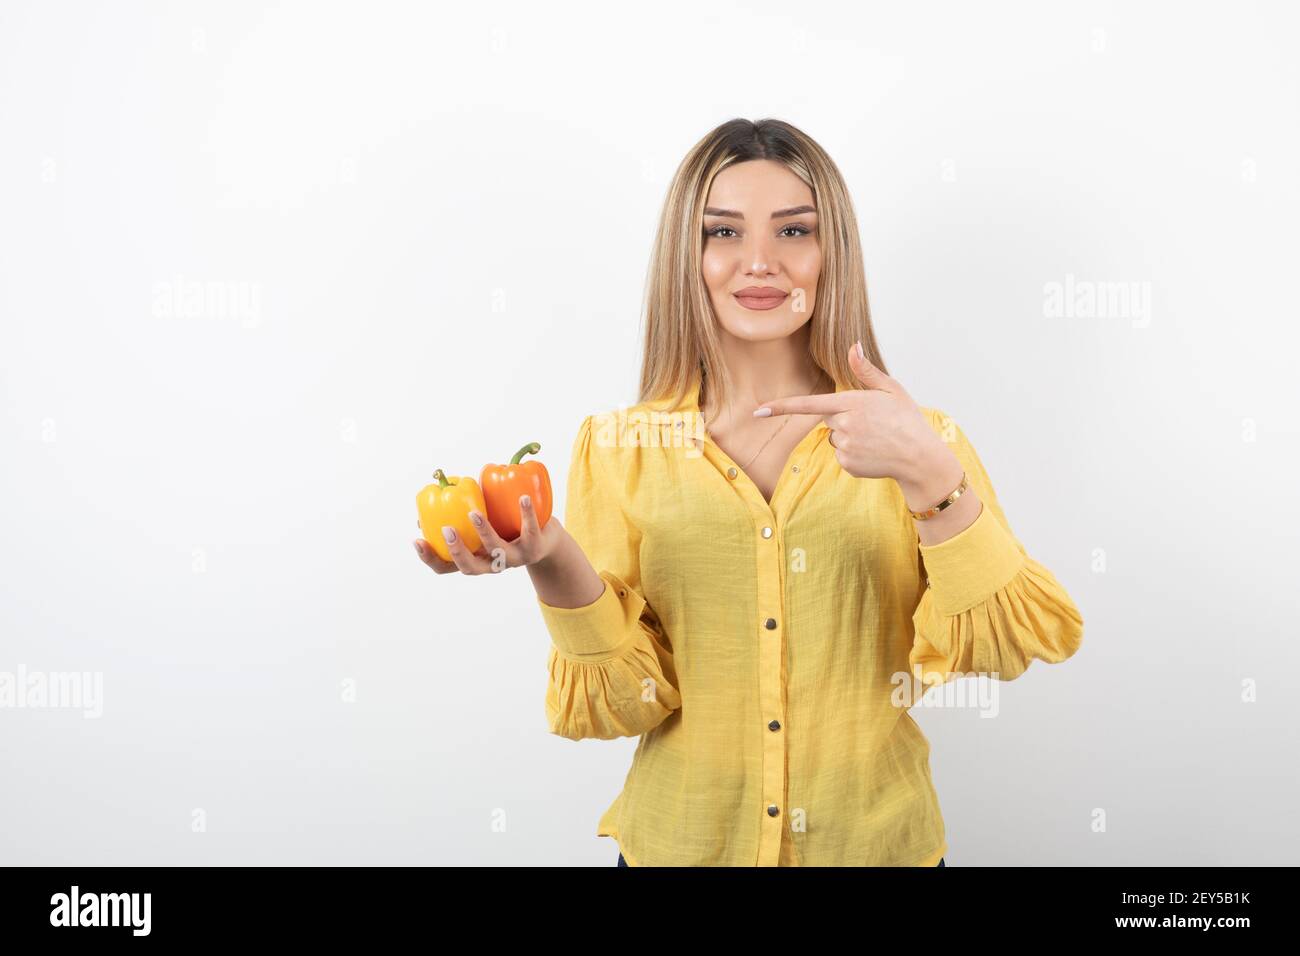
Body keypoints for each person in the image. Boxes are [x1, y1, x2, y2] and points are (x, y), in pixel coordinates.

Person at [414, 118, 1084, 867]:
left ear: (833, 253)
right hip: (680, 844)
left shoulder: (921, 439)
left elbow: (1014, 645)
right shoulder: (618, 447)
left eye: (794, 231)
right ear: (687, 256)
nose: (759, 263)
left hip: (875, 846)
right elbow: (630, 701)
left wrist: (932, 479)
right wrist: (549, 557)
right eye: (723, 233)